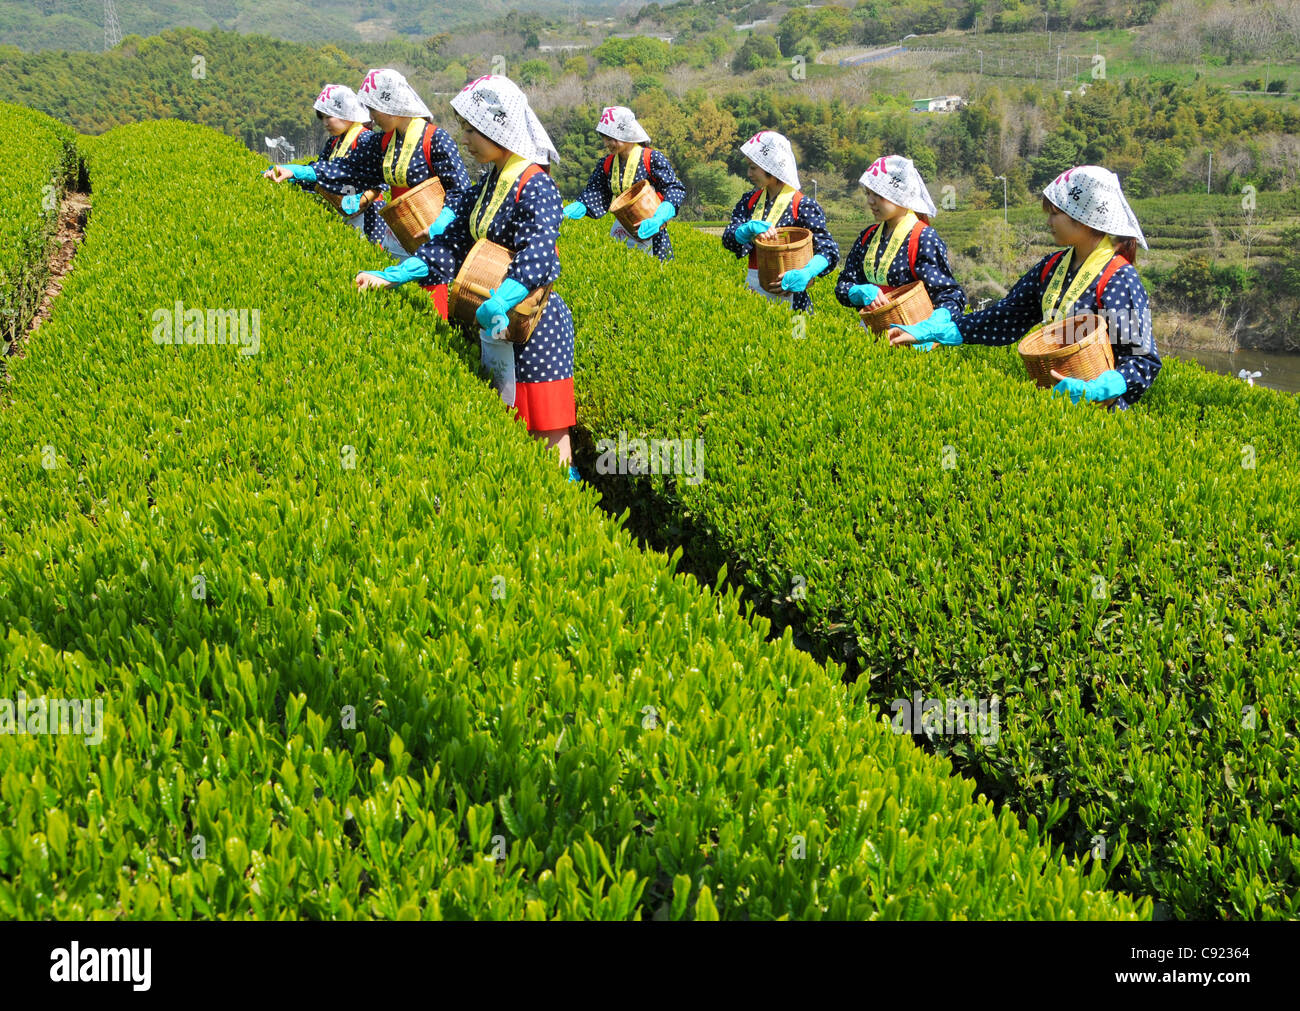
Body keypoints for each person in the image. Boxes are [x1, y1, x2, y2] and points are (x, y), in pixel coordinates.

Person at [354, 75, 580, 482]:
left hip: (534, 324)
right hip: (494, 321)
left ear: (498, 129)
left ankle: (567, 511)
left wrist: (506, 296)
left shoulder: (536, 186)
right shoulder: (489, 183)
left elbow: (540, 250)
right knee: (508, 421)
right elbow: (455, 240)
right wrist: (396, 274)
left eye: (474, 129)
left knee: (547, 432)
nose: (467, 139)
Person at [890, 165, 1161, 409]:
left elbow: (1141, 360)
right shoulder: (1051, 267)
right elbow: (1004, 317)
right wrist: (934, 331)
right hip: (1050, 401)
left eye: (1055, 214)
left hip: (1101, 412)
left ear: (1082, 218)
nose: (1048, 222)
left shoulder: (1118, 278)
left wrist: (1097, 389)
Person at [313, 69, 473, 319]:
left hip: (429, 237)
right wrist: (303, 173)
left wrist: (441, 223)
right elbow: (351, 167)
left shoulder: (435, 138)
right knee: (397, 305)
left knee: (430, 309)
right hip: (396, 232)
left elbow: (460, 189)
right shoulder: (385, 141)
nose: (372, 118)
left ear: (390, 105)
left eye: (374, 110)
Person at [835, 155, 965, 347]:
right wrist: (858, 291)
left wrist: (930, 327)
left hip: (914, 339)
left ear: (899, 195)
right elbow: (843, 285)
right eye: (868, 194)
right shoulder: (867, 237)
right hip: (870, 336)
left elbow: (950, 296)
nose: (870, 201)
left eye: (878, 195)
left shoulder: (923, 238)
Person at [262, 84, 403, 254]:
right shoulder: (334, 142)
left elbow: (376, 180)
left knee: (370, 258)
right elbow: (321, 173)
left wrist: (362, 199)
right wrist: (291, 176)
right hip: (341, 211)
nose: (325, 123)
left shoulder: (366, 139)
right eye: (322, 118)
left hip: (368, 214)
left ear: (346, 113)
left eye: (329, 116)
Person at [721, 130, 839, 312]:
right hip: (754, 286)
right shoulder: (749, 201)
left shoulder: (802, 205)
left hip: (792, 294)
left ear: (772, 169)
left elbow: (829, 250)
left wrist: (807, 273)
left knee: (798, 338)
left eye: (753, 168)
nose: (749, 173)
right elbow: (728, 238)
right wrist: (745, 230)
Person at [562, 106, 687, 261]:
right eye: (605, 139)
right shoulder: (606, 164)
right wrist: (579, 206)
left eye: (611, 138)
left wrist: (660, 217)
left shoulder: (652, 159)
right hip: (623, 226)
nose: (607, 143)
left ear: (626, 134)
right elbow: (596, 193)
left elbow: (674, 188)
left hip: (651, 228)